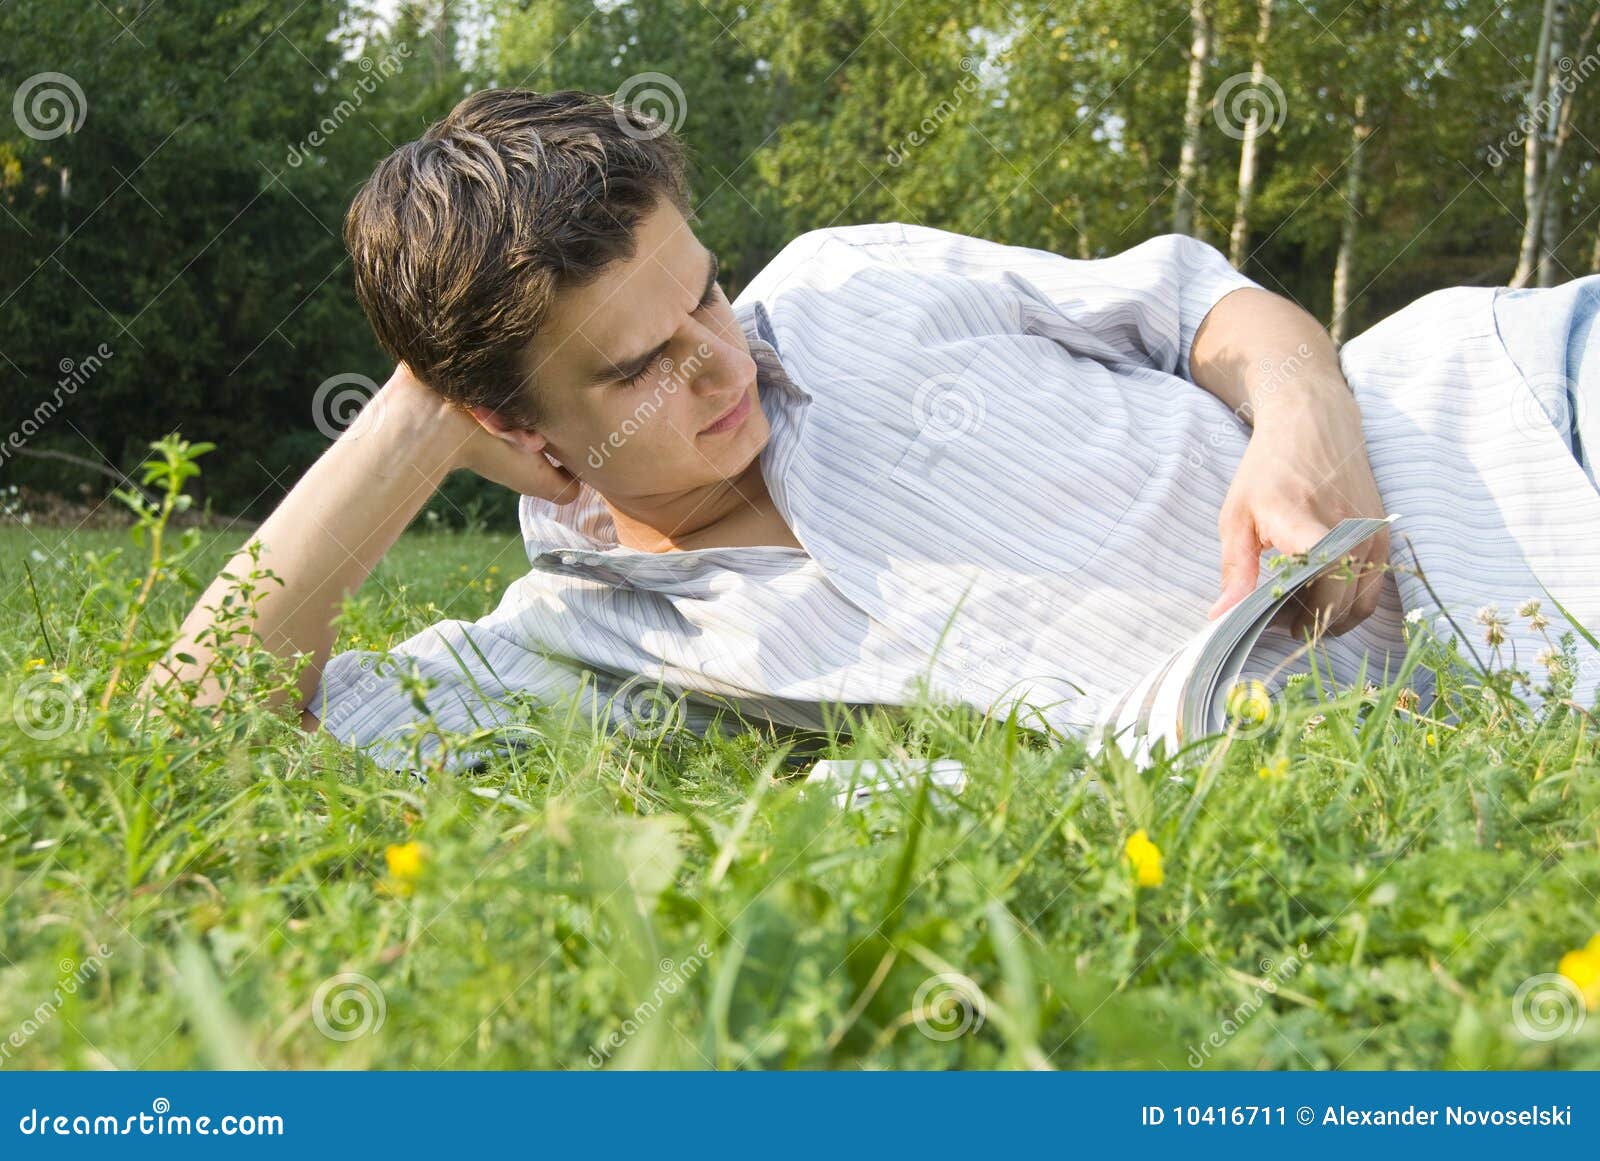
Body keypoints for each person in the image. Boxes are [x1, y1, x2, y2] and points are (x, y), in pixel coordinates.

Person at [142, 88, 1600, 773]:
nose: (728, 358)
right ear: (516, 432)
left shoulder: (847, 281)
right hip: (1509, 678)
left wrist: (1299, 423)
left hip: (1509, 420)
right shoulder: (583, 645)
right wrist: (413, 409)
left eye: (704, 288)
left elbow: (1203, 304)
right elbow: (186, 733)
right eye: (646, 364)